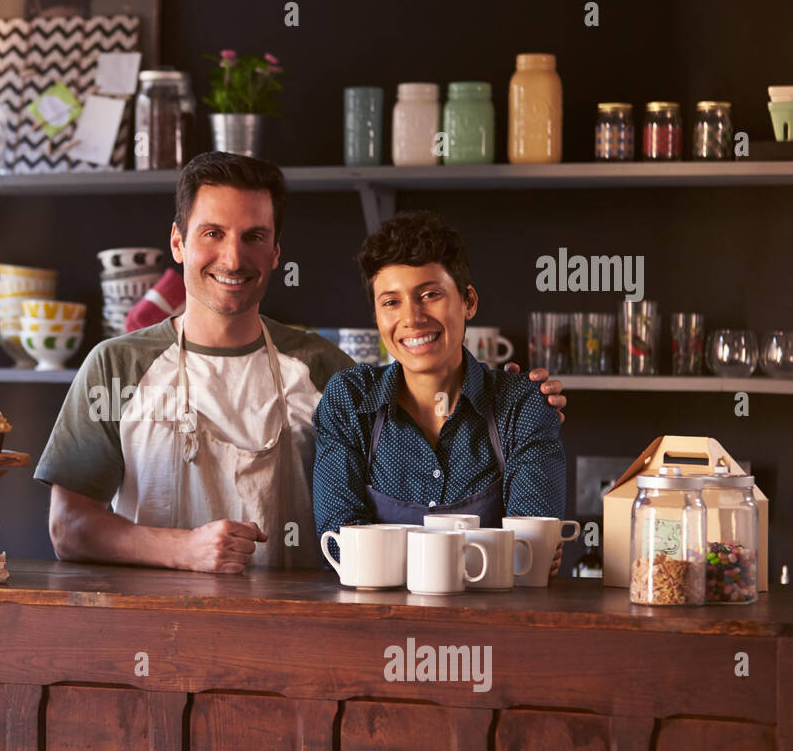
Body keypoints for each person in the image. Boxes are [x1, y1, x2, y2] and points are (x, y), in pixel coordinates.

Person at [35, 153, 567, 573]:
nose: (233, 257)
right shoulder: (116, 367)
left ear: (275, 253)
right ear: (178, 242)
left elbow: (420, 395)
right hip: (153, 635)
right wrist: (183, 550)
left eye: (254, 237)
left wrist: (509, 399)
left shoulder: (325, 369)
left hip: (298, 637)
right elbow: (69, 529)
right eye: (212, 233)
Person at [313, 210, 567, 575]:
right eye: (391, 302)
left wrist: (386, 551)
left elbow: (529, 559)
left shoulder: (521, 404)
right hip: (374, 626)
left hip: (496, 627)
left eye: (430, 294)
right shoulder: (350, 400)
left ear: (468, 301)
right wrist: (491, 549)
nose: (412, 318)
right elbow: (338, 544)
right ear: (377, 315)